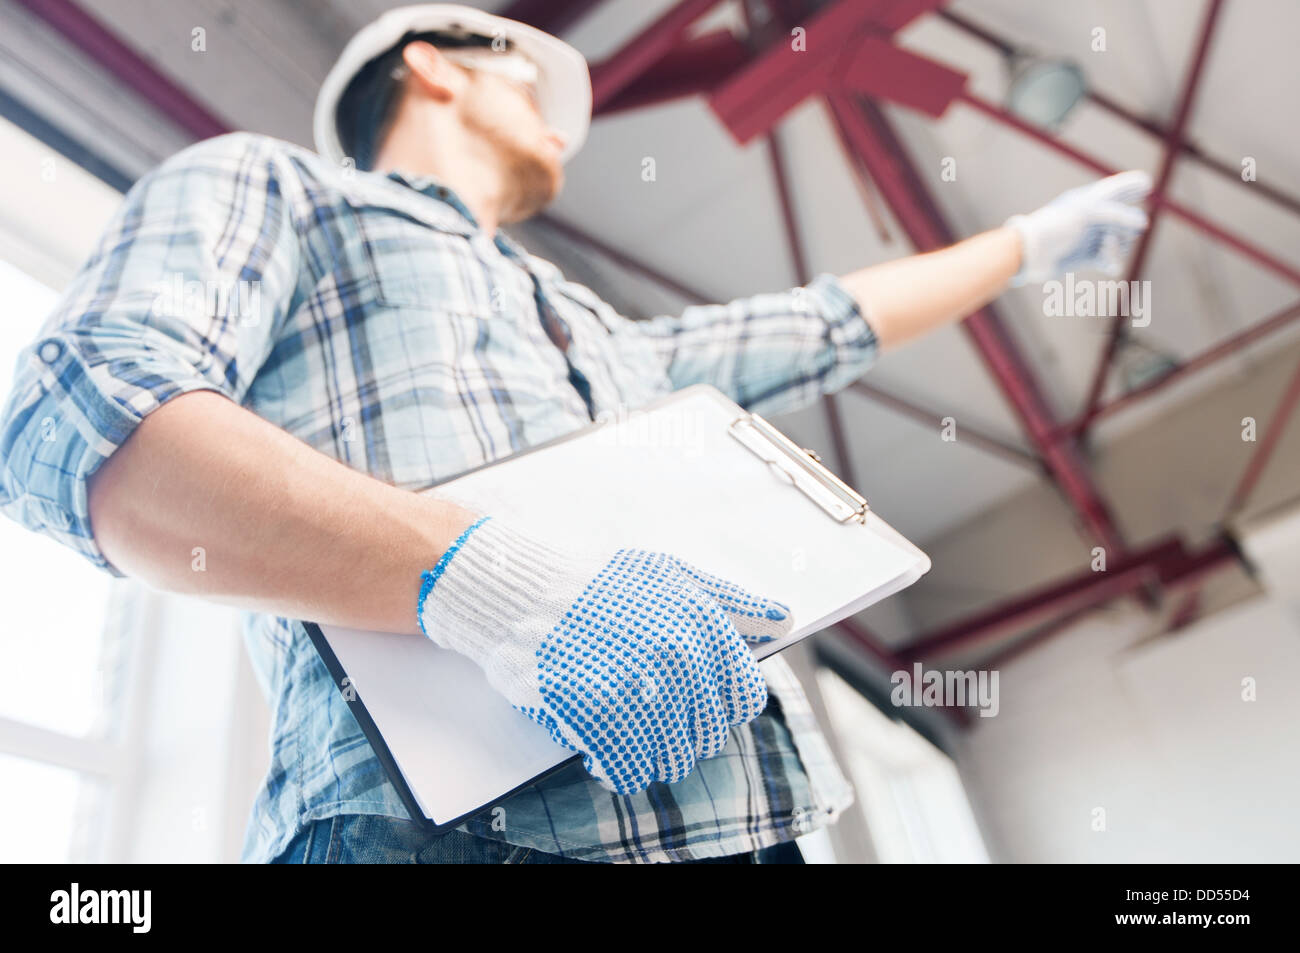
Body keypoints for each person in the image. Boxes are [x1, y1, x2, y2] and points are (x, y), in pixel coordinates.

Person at [0, 4, 1150, 864]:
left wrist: (1026, 244)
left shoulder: (602, 333)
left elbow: (820, 324)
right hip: (432, 837)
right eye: (527, 80)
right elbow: (83, 424)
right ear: (432, 64)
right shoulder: (284, 190)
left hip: (743, 829)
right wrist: (495, 589)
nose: (559, 123)